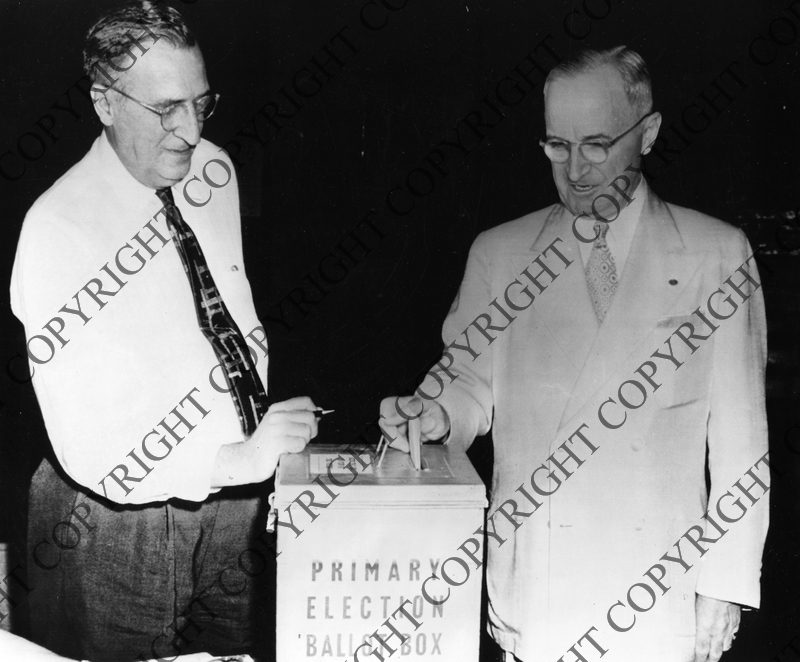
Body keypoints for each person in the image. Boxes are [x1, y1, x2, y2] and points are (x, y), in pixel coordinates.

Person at [380, 47, 769, 662]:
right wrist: (434, 415)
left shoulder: (717, 254)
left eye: (596, 145)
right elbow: (470, 384)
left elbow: (744, 445)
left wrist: (723, 587)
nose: (576, 171)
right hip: (541, 579)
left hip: (657, 588)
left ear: (649, 134)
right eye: (556, 146)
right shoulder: (500, 253)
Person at [10, 3, 318, 660]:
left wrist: (254, 449)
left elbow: (226, 316)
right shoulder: (58, 229)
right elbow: (96, 446)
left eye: (202, 103)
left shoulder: (214, 168)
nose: (188, 130)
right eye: (165, 108)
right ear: (104, 102)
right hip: (112, 530)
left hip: (233, 506)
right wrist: (241, 459)